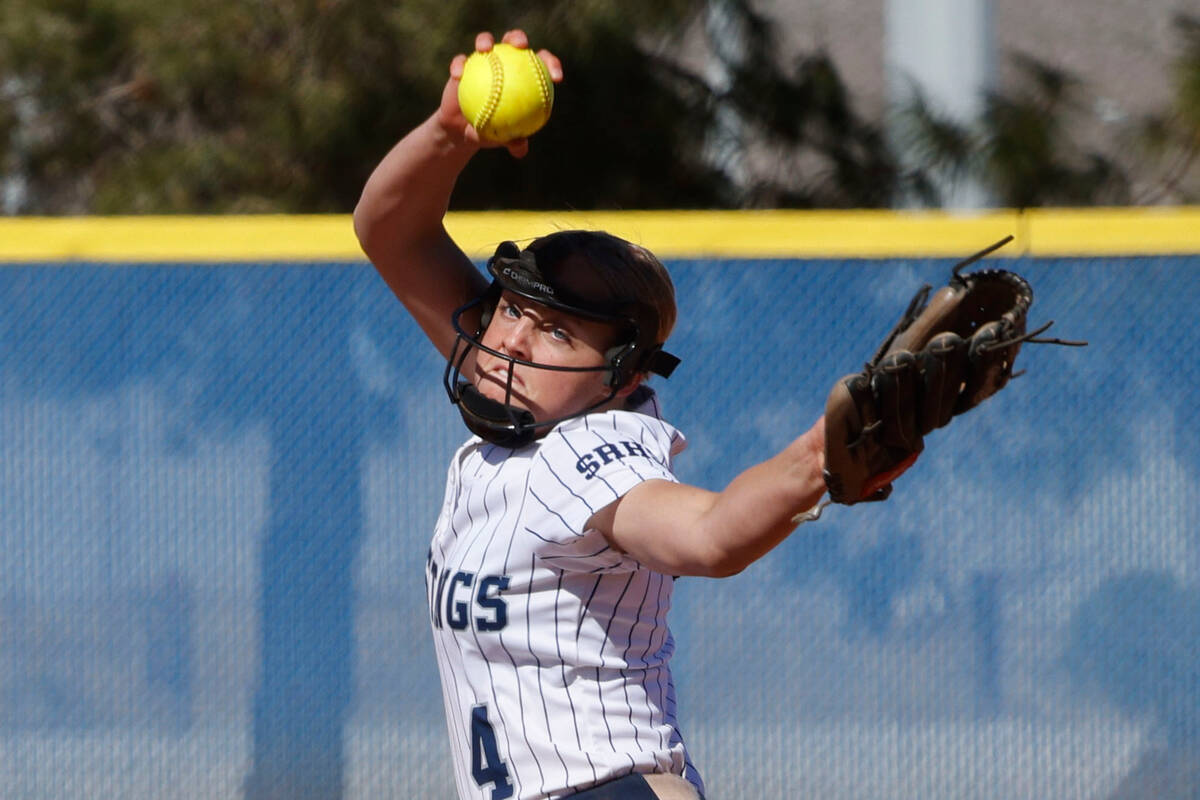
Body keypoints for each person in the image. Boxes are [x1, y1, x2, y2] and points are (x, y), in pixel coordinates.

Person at [353, 29, 905, 800]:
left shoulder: (591, 450)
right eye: (511, 306)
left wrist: (818, 458)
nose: (512, 340)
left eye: (556, 328)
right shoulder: (516, 390)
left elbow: (709, 536)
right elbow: (389, 229)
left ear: (623, 374)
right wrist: (450, 134)